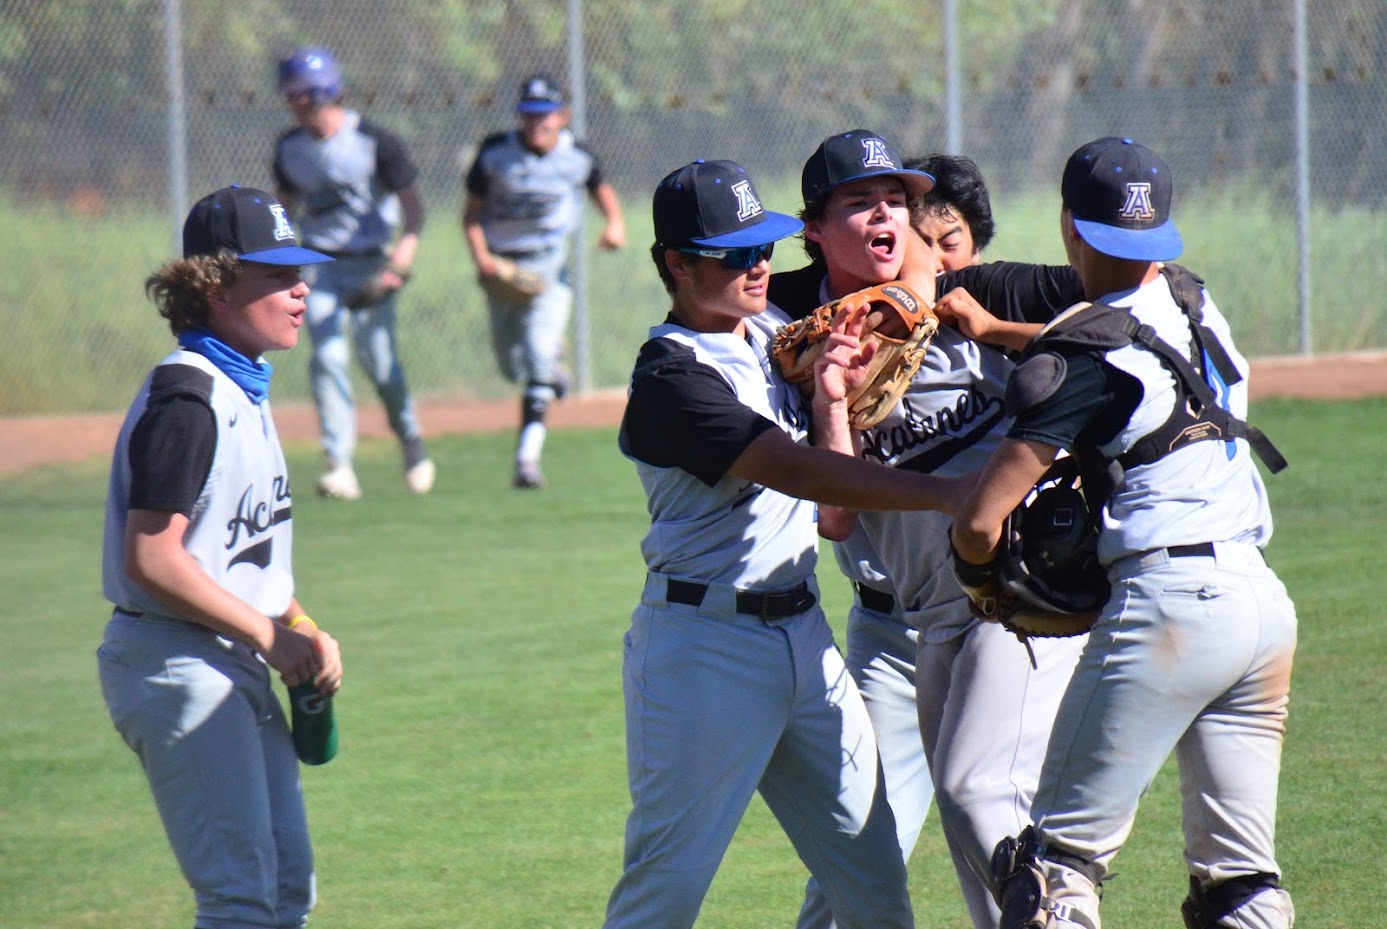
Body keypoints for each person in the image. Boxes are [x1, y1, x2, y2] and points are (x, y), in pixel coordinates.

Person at [605, 158, 969, 929]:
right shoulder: (669, 377)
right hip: (703, 651)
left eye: (764, 245)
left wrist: (831, 393)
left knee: (873, 886)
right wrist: (945, 494)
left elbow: (832, 504)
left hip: (805, 639)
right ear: (676, 263)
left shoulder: (774, 331)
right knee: (664, 893)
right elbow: (795, 471)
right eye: (734, 253)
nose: (758, 265)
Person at [951, 137, 1297, 929]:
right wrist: (1004, 330)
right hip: (1261, 606)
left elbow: (979, 518)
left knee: (1053, 875)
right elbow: (1118, 354)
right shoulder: (1192, 300)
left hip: (1169, 608)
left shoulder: (1081, 355)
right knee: (1238, 881)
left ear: (1067, 224)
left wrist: (983, 586)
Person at [770, 133, 1088, 929]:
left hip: (1012, 598)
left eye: (897, 201)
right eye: (860, 200)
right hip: (898, 618)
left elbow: (1115, 299)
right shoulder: (797, 331)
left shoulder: (975, 291)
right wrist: (830, 401)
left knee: (979, 795)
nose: (886, 214)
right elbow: (833, 517)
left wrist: (979, 323)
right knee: (882, 841)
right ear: (813, 227)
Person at [97, 186, 345, 929]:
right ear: (211, 284)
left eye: (300, 271)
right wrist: (273, 638)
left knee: (286, 887)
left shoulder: (242, 388)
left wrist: (297, 622)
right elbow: (152, 557)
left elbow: (242, 554)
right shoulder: (189, 399)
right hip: (173, 660)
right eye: (275, 273)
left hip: (225, 653)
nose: (299, 288)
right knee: (239, 896)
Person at [273, 45, 434, 500]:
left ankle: (410, 439)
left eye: (298, 94)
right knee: (327, 356)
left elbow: (415, 212)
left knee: (379, 362)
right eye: (290, 94)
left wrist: (398, 265)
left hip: (372, 264)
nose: (292, 102)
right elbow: (283, 211)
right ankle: (339, 464)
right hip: (319, 265)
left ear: (321, 92)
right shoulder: (290, 149)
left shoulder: (374, 142)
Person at [462, 73, 626, 489]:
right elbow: (471, 213)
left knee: (534, 358)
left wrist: (615, 225)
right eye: (530, 114)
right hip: (502, 268)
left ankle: (526, 461)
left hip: (550, 270)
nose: (538, 122)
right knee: (509, 364)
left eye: (546, 114)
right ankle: (554, 356)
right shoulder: (496, 153)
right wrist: (481, 258)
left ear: (563, 116)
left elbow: (601, 190)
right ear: (519, 116)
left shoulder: (576, 154)